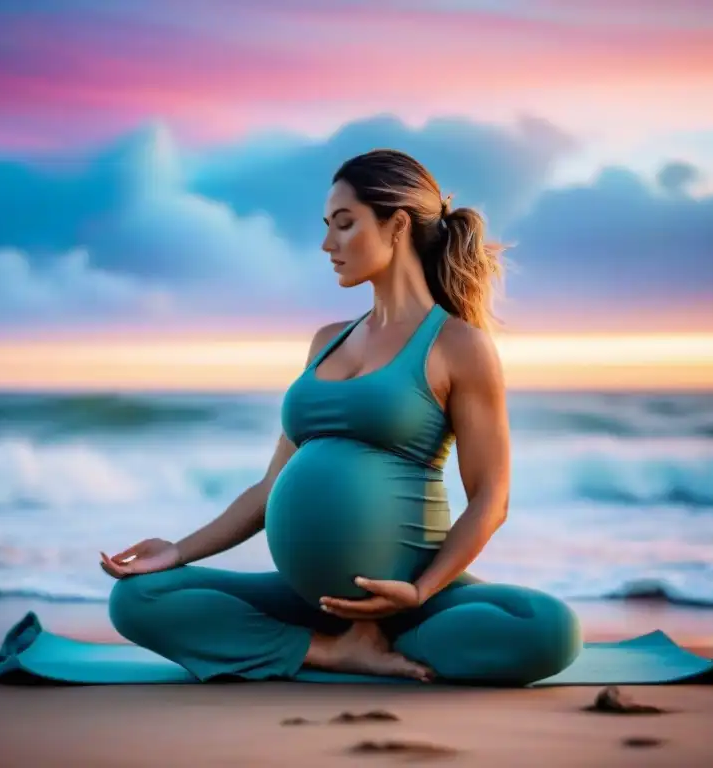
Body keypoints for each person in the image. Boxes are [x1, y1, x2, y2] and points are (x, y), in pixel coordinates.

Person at [99, 149, 582, 686]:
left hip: (410, 594)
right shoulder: (327, 342)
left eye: (345, 225)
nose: (328, 245)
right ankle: (331, 650)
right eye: (327, 227)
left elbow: (492, 497)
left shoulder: (457, 345)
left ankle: (391, 637)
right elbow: (271, 487)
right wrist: (178, 549)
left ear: (396, 225)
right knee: (138, 596)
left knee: (548, 628)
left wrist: (420, 592)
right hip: (312, 601)